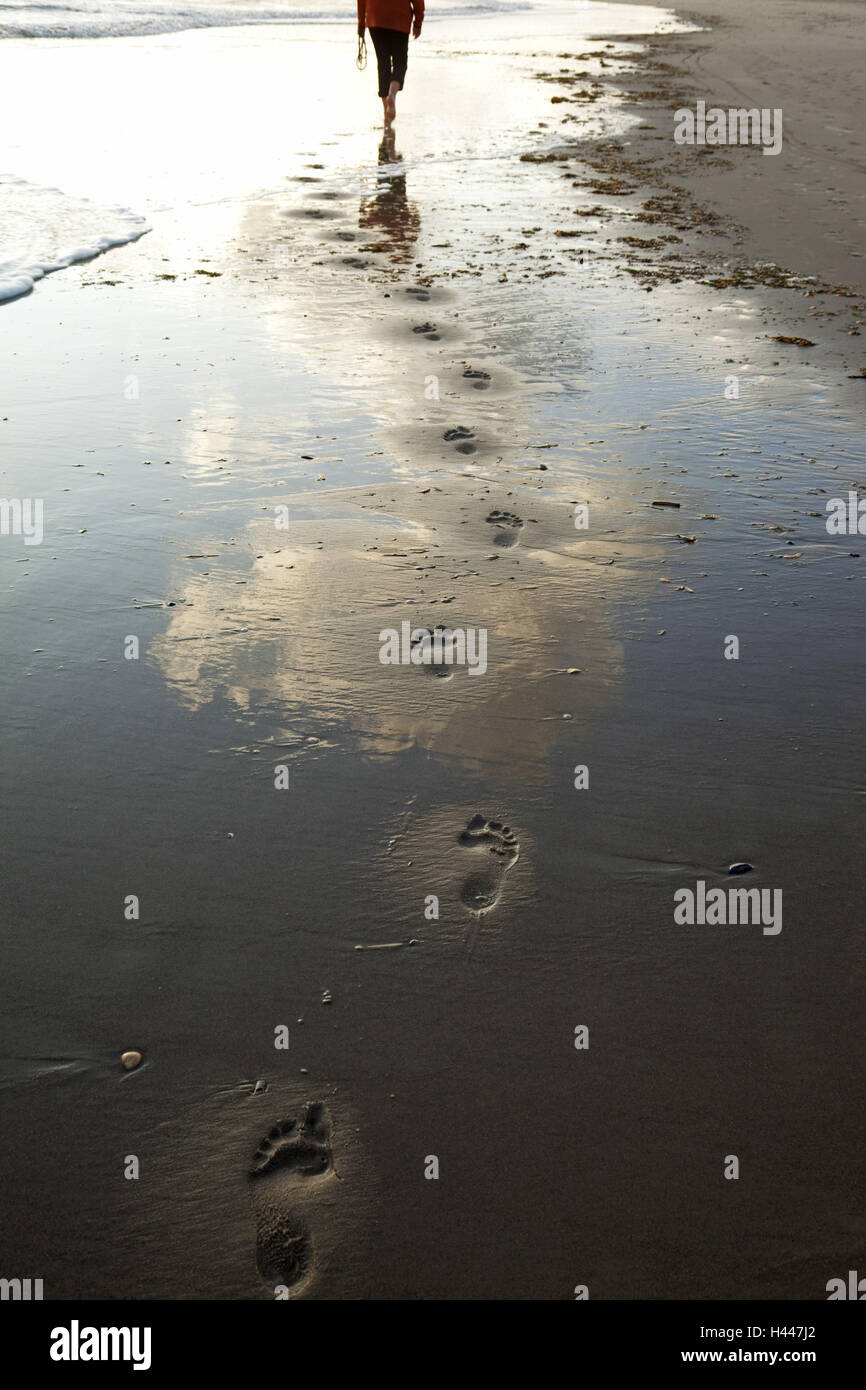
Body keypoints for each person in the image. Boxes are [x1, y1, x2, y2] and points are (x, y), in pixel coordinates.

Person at [357, 0, 424, 126]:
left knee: (383, 63)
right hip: (400, 17)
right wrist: (418, 23)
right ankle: (392, 95)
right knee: (400, 62)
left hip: (375, 16)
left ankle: (386, 114)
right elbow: (418, 1)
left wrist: (361, 23)